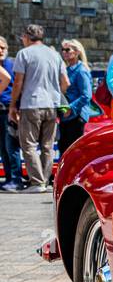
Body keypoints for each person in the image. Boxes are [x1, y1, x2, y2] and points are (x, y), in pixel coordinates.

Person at [7, 23, 69, 193]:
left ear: (27, 37)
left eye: (23, 37)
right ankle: (45, 181)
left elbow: (18, 82)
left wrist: (13, 105)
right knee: (47, 145)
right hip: (52, 104)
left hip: (31, 103)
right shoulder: (55, 55)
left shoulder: (24, 53)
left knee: (28, 144)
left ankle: (37, 182)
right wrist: (55, 93)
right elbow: (65, 82)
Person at [58, 39, 93, 153]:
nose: (64, 52)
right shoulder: (68, 70)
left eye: (67, 50)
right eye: (63, 50)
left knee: (73, 151)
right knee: (64, 149)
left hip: (77, 116)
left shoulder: (81, 70)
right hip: (67, 116)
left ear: (77, 52)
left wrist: (71, 108)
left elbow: (86, 95)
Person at [0, 36, 22, 192]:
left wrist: (16, 108)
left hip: (10, 109)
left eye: (2, 48)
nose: (0, 51)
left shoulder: (12, 64)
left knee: (11, 146)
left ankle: (16, 179)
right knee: (3, 147)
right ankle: (9, 178)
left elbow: (19, 86)